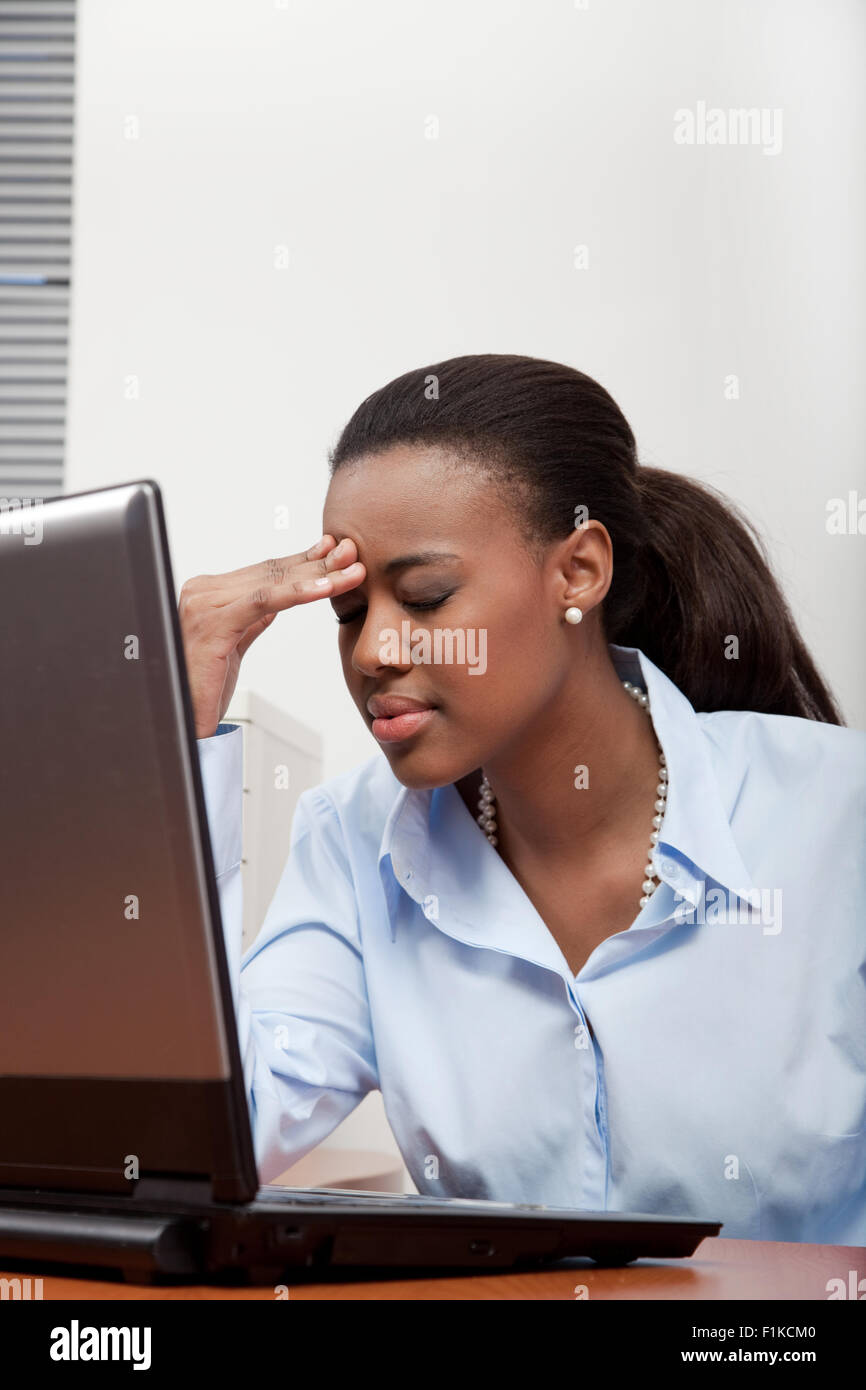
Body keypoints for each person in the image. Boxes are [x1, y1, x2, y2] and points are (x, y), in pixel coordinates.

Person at [180, 353, 865, 1243]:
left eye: (425, 597)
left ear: (577, 573)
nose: (373, 652)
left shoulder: (835, 814)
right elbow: (201, 1144)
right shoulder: (355, 843)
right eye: (349, 612)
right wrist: (178, 737)